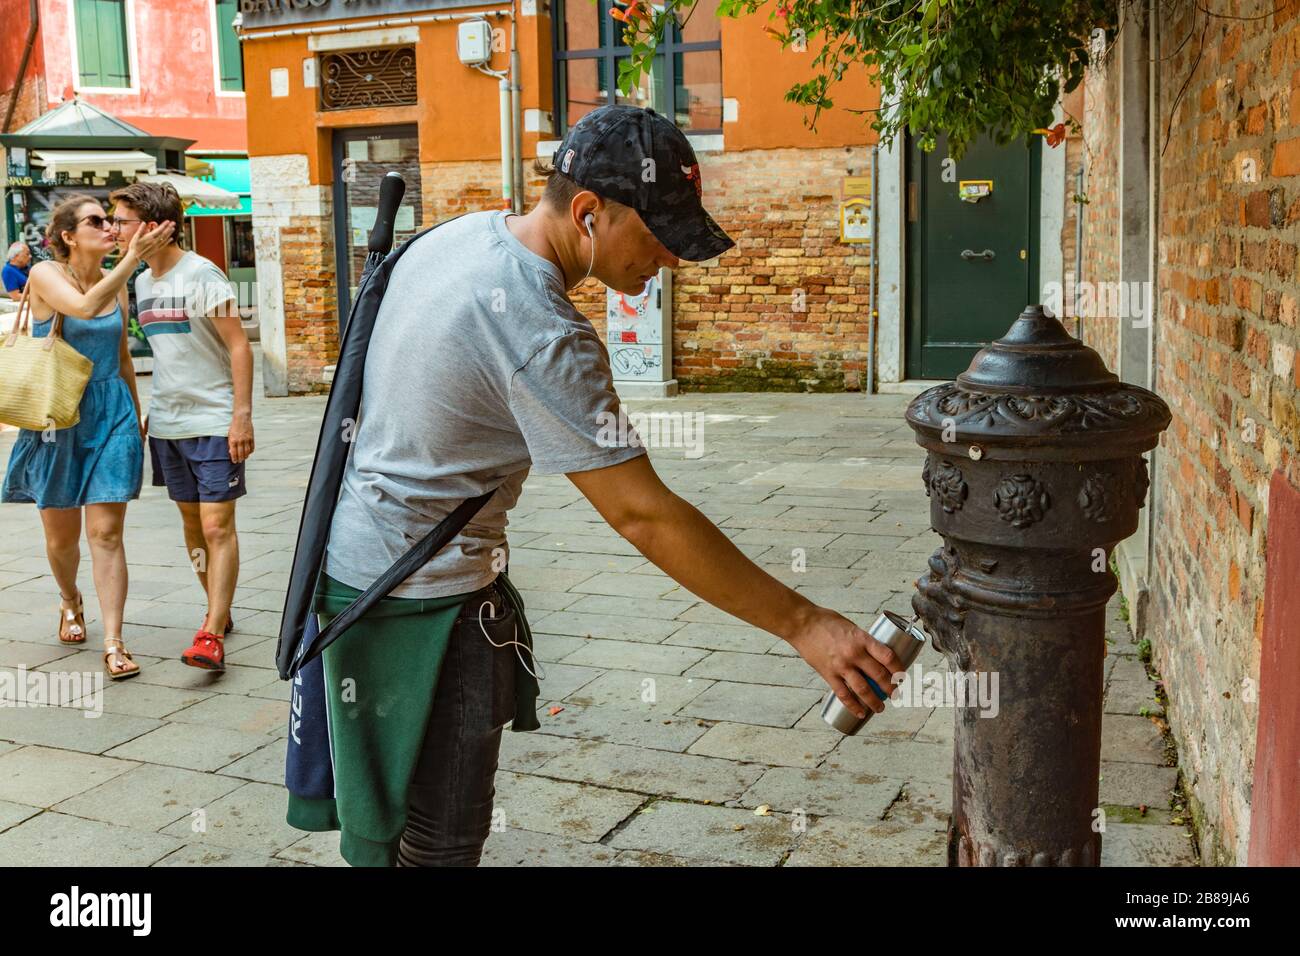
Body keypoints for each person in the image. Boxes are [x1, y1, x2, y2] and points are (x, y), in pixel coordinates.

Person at [302, 105, 907, 867]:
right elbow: (642, 514)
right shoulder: (542, 330)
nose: (672, 261)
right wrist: (803, 623)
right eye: (658, 237)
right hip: (428, 603)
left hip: (353, 572)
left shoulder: (457, 237)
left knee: (393, 821)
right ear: (587, 213)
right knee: (440, 844)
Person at [0, 195, 175, 678]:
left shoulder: (116, 284)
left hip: (111, 412)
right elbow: (82, 305)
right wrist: (131, 261)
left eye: (110, 219)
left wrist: (137, 423)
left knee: (106, 532)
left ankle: (115, 640)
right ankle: (69, 598)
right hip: (58, 413)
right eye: (96, 221)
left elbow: (122, 358)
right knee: (62, 538)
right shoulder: (44, 275)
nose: (109, 226)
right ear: (69, 236)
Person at [108, 181, 254, 673]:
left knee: (217, 524)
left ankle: (210, 631)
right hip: (168, 423)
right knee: (191, 525)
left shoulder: (204, 274)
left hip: (213, 419)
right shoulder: (142, 281)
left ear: (153, 226)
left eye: (122, 221)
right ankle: (219, 607)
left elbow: (238, 345)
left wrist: (241, 414)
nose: (114, 229)